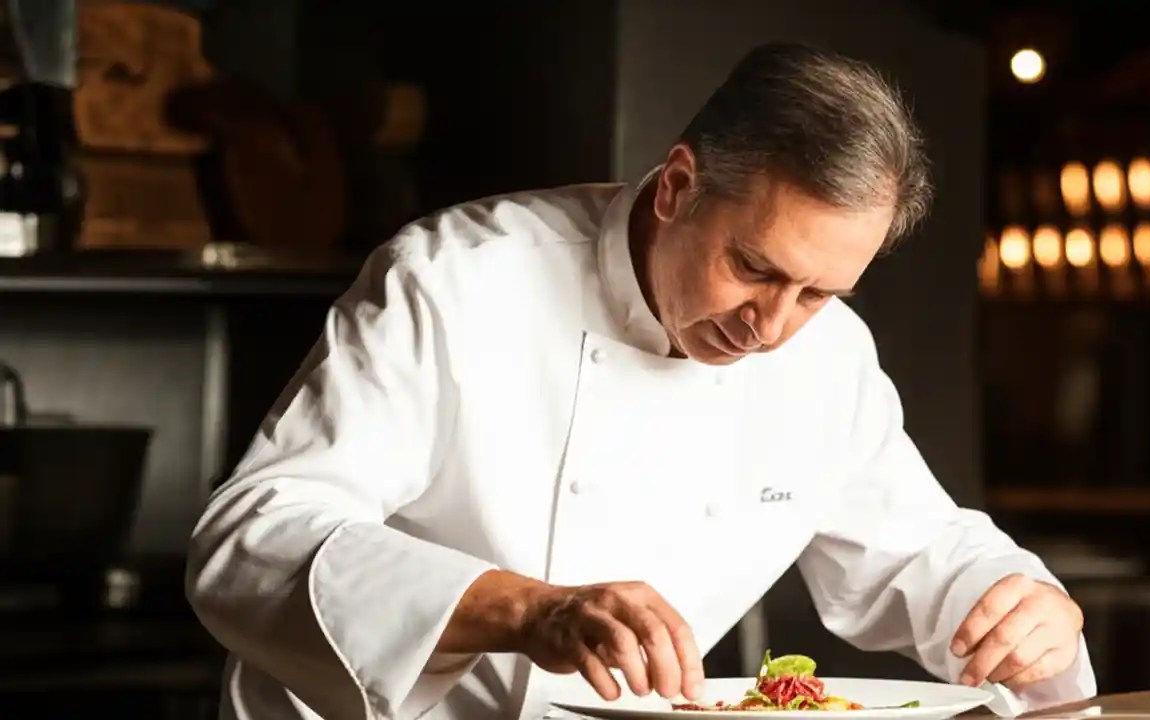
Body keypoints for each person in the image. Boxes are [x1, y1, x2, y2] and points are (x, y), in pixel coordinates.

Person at [186, 42, 1097, 720]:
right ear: (677, 186)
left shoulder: (829, 357)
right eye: (753, 267)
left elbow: (918, 552)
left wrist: (1016, 601)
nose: (773, 326)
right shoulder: (456, 279)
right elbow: (249, 541)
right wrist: (529, 609)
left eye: (818, 292)